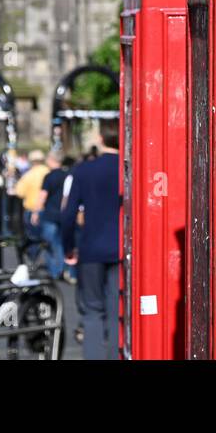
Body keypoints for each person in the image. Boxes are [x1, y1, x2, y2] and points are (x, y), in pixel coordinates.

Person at [62, 130, 122, 360]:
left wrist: (68, 247)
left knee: (92, 311)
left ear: (100, 139)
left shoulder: (84, 170)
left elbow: (68, 215)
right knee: (116, 309)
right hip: (120, 248)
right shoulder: (128, 168)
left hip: (90, 247)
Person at [35, 154, 69, 279]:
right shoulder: (67, 175)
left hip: (50, 214)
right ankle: (62, 268)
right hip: (63, 214)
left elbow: (43, 195)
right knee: (61, 243)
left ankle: (54, 271)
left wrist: (36, 212)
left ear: (51, 161)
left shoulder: (49, 177)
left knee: (49, 244)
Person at [14, 149, 50, 264]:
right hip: (48, 209)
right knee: (47, 237)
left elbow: (19, 192)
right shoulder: (48, 172)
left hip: (31, 209)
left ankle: (34, 261)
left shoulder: (28, 175)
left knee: (32, 237)